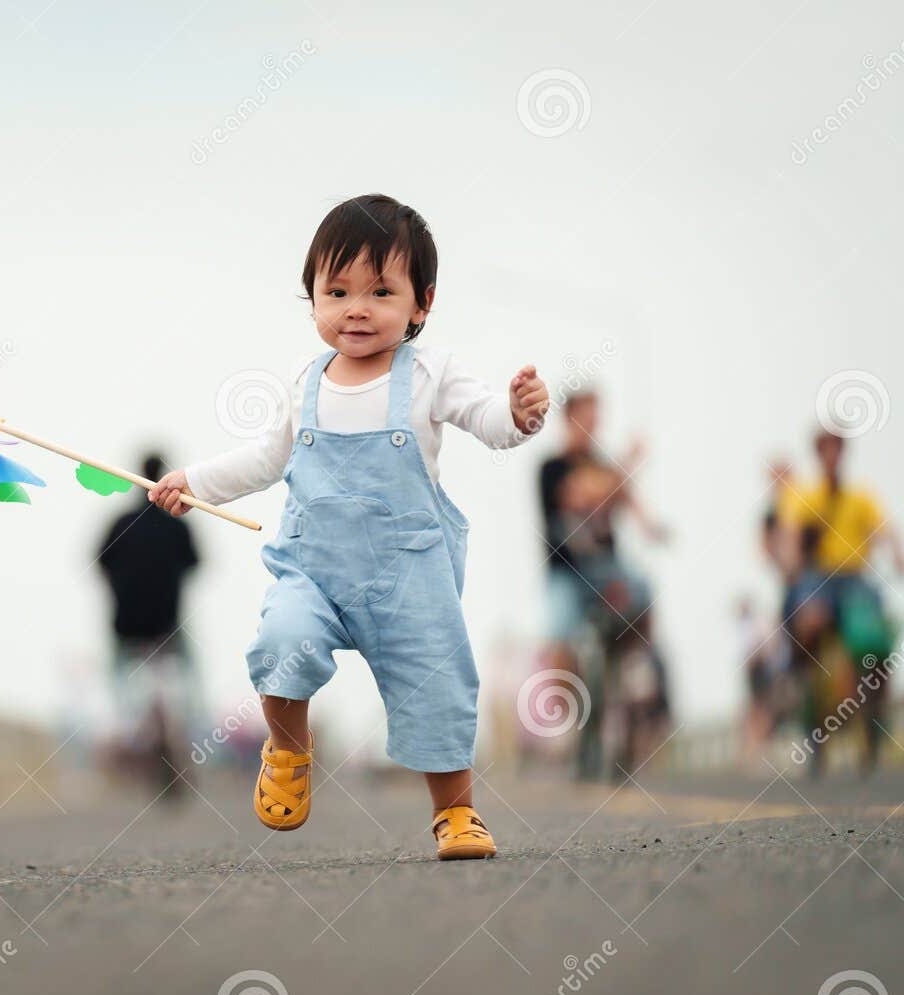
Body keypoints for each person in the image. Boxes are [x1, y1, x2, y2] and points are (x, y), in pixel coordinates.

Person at [146, 194, 550, 860]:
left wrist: (519, 413)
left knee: (440, 687)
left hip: (409, 577)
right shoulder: (305, 384)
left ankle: (455, 813)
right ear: (312, 300)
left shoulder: (429, 375)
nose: (356, 307)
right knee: (281, 641)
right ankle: (288, 748)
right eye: (336, 290)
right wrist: (194, 482)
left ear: (421, 303)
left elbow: (491, 423)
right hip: (316, 571)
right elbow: (264, 459)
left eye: (380, 291)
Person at [774, 428, 903, 770]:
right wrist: (790, 563)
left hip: (855, 577)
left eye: (836, 449)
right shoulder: (804, 495)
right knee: (810, 621)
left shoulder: (861, 496)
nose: (831, 456)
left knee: (877, 641)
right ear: (818, 455)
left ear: (843, 453)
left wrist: (897, 553)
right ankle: (811, 699)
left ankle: (874, 716)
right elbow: (789, 534)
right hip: (820, 577)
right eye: (825, 450)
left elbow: (885, 528)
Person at [537, 390, 664, 670]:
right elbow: (585, 493)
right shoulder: (552, 467)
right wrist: (629, 461)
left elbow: (627, 499)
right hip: (567, 571)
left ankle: (629, 669)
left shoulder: (602, 464)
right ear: (570, 419)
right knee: (559, 634)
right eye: (587, 418)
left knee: (642, 592)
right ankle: (566, 708)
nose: (594, 425)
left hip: (606, 569)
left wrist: (650, 526)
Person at [97, 454, 201, 790]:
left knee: (119, 682)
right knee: (189, 677)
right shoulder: (177, 525)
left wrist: (121, 588)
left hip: (125, 623)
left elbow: (100, 562)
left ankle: (131, 734)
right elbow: (194, 563)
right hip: (167, 623)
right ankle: (185, 730)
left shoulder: (120, 523)